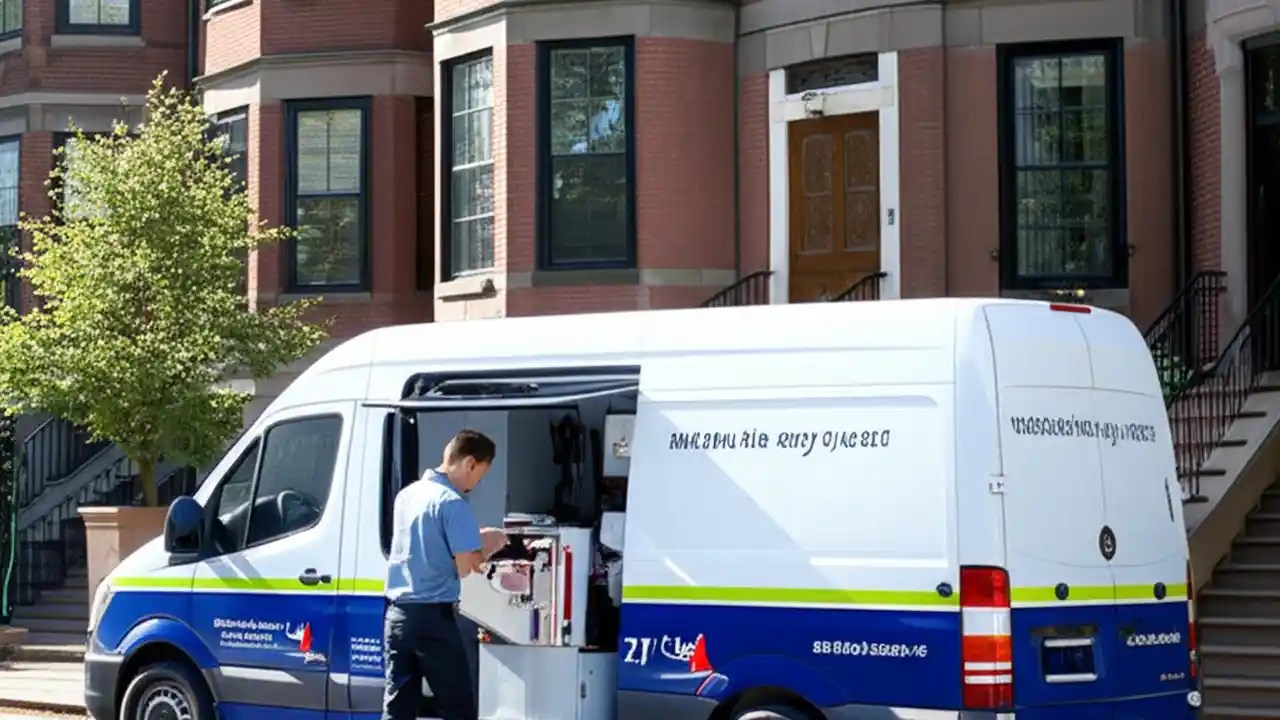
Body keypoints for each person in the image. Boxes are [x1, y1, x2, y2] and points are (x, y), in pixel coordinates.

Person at [383, 429, 506, 720]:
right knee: (457, 706)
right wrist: (488, 543)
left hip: (398, 616)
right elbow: (467, 566)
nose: (477, 483)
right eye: (481, 474)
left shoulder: (406, 495)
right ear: (470, 463)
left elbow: (426, 549)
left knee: (398, 706)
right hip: (434, 620)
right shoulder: (452, 502)